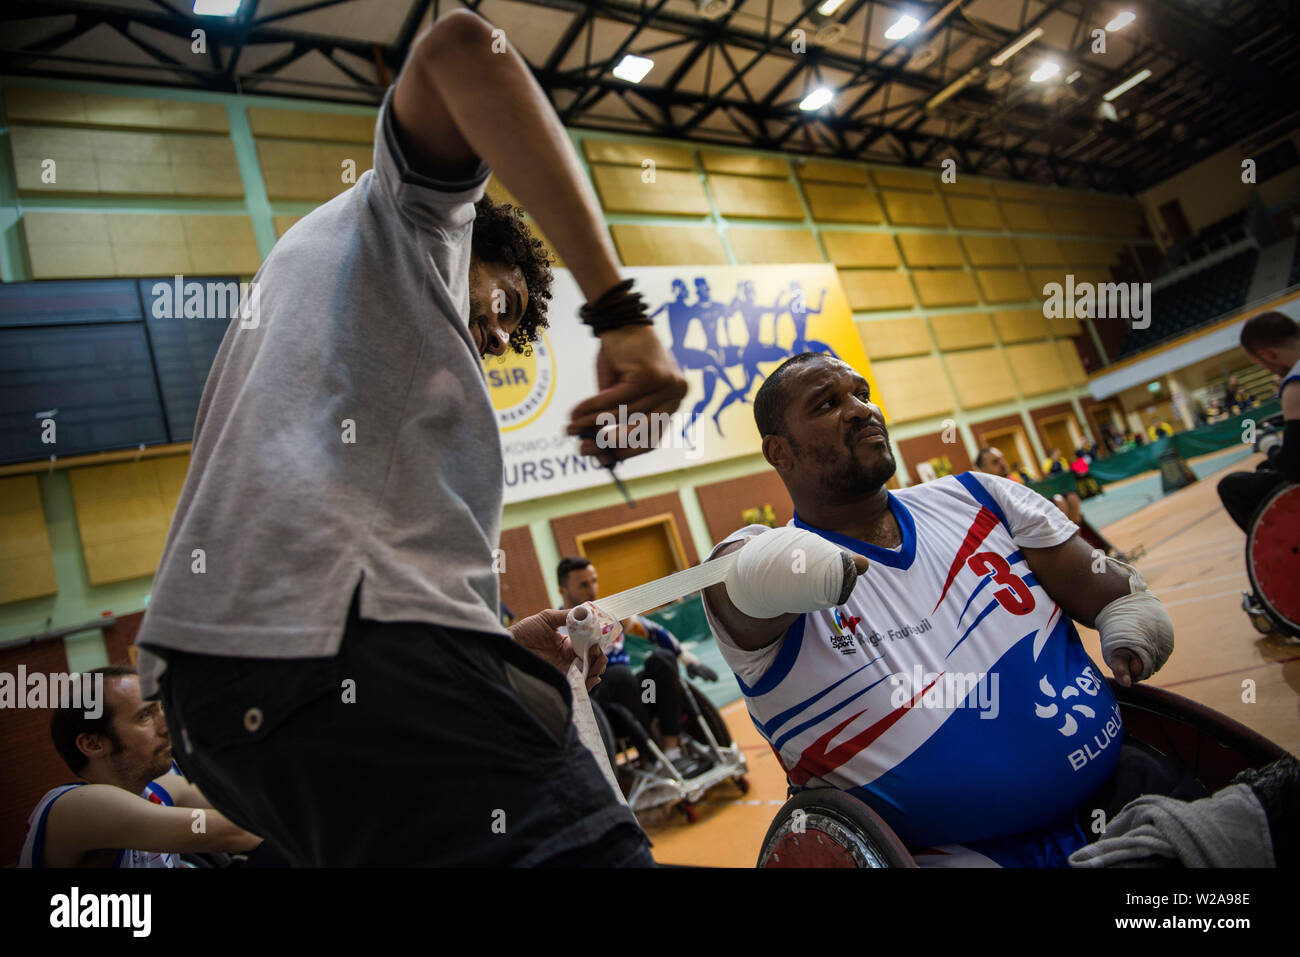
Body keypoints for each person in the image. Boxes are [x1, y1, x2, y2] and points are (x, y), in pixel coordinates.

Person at [133, 9, 688, 867]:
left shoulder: (317, 291)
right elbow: (465, 46)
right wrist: (622, 315)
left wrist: (489, 647)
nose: (496, 340)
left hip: (226, 710)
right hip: (335, 649)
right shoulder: (420, 217)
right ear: (475, 229)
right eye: (501, 308)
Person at [702, 353, 1194, 867]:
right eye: (827, 403)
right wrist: (761, 558)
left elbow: (1113, 592)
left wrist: (1131, 619)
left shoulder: (979, 496)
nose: (860, 410)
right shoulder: (777, 573)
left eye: (862, 394)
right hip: (956, 856)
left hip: (1128, 797)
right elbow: (740, 583)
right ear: (779, 452)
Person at [20, 666, 263, 868]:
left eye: (161, 709)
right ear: (93, 744)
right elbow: (232, 831)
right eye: (145, 716)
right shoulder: (79, 806)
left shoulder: (154, 787)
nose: (167, 726)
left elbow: (243, 805)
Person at [556, 556, 717, 776]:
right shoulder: (558, 631)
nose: (592, 590)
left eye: (594, 581)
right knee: (619, 675)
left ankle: (671, 752)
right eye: (583, 585)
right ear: (563, 591)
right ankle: (653, 759)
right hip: (601, 709)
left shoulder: (608, 614)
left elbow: (654, 631)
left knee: (661, 659)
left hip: (633, 697)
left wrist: (689, 661)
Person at [1217, 311, 1300, 534]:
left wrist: (1268, 444)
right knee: (1266, 469)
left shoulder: (1295, 387)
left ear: (1269, 355)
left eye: (1262, 364)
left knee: (1233, 486)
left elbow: (1294, 468)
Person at [976, 447, 1129, 561]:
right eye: (995, 462)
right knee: (1060, 502)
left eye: (1002, 458)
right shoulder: (986, 491)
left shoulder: (1013, 478)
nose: (1003, 464)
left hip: (1040, 518)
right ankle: (1078, 554)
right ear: (982, 469)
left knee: (1071, 498)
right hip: (1025, 533)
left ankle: (1090, 551)